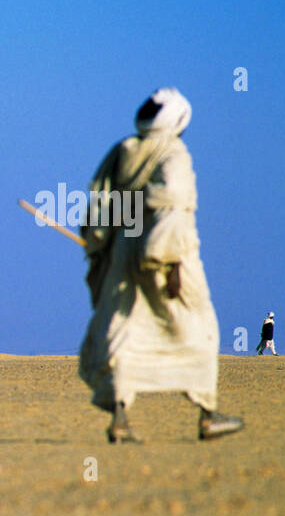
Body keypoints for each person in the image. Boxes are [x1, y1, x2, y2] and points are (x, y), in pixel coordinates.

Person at [78, 88, 243, 442]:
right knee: (198, 328)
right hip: (167, 255)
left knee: (124, 332)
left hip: (124, 252)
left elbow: (100, 201)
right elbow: (172, 204)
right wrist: (164, 260)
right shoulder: (174, 154)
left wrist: (101, 244)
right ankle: (208, 414)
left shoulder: (124, 150)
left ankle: (120, 421)